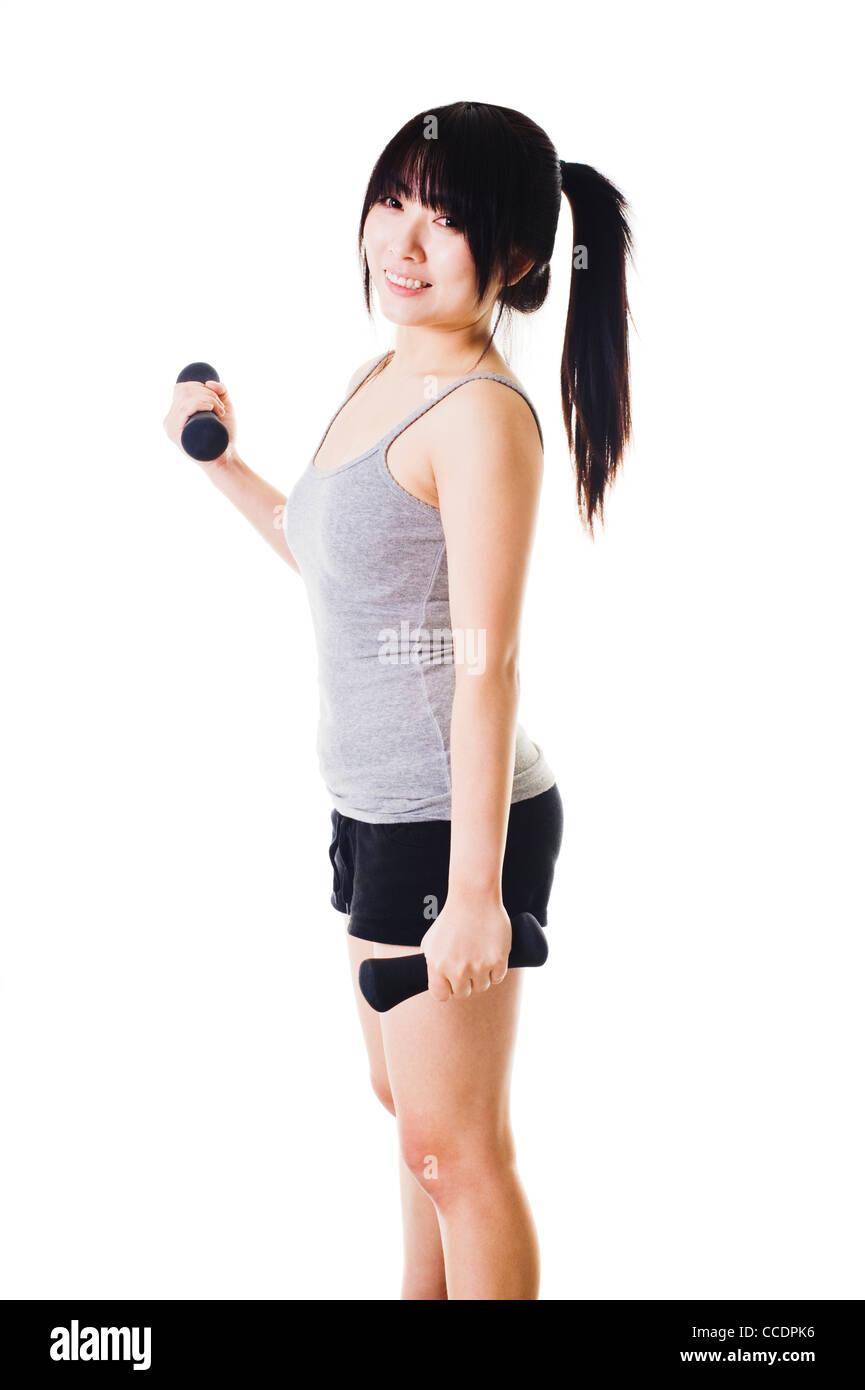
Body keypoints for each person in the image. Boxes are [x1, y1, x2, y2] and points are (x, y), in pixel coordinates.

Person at [163, 101, 633, 1300]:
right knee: (408, 1119)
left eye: (446, 220)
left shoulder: (477, 416)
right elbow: (343, 568)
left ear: (515, 261)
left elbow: (487, 658)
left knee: (454, 1149)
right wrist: (225, 466)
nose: (403, 243)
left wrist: (475, 890)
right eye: (394, 203)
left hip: (449, 818)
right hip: (378, 804)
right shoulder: (385, 371)